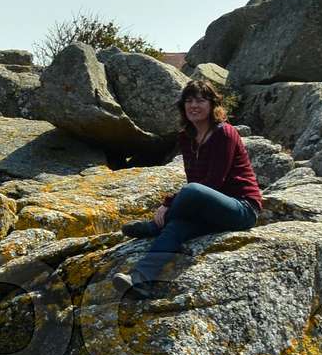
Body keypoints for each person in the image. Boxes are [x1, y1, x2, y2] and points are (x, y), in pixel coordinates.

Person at [111, 79, 263, 299]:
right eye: (189, 101)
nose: (194, 106)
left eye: (200, 100)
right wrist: (172, 206)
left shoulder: (225, 133)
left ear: (212, 104)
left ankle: (154, 227)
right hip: (210, 210)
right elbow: (195, 179)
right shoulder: (186, 137)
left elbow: (212, 183)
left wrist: (168, 203)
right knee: (176, 227)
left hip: (242, 208)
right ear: (182, 106)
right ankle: (140, 281)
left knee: (191, 193)